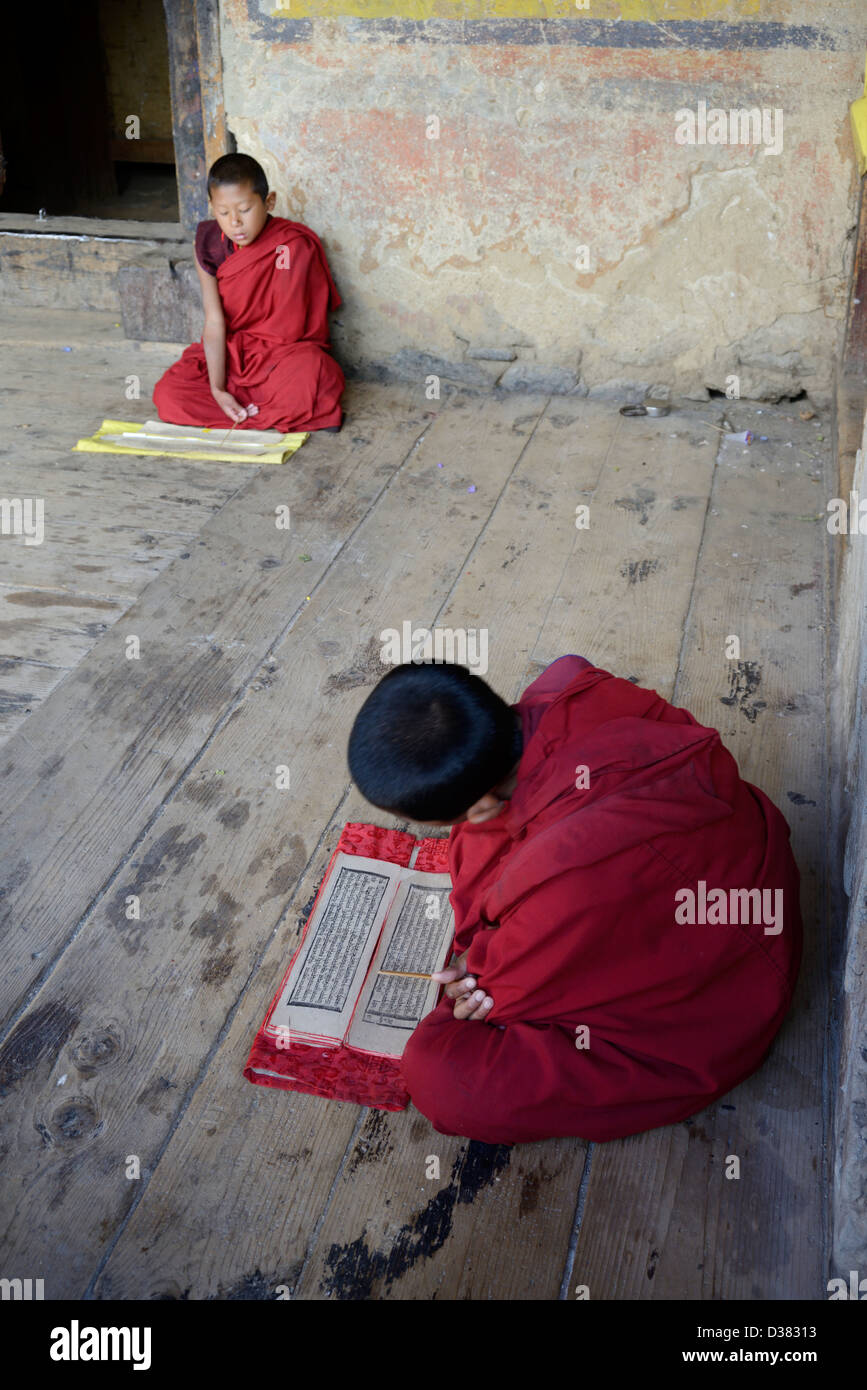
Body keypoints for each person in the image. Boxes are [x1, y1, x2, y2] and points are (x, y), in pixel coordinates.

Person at [346, 656, 803, 1144]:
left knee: (441, 1075)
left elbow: (496, 996)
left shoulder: (567, 881)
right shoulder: (571, 685)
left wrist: (478, 976)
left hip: (727, 984)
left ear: (479, 805)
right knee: (477, 850)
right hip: (730, 872)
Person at [153, 153, 344, 434]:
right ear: (212, 208)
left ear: (269, 202)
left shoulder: (290, 245)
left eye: (244, 210)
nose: (234, 223)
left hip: (281, 358)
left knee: (312, 373)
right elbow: (215, 322)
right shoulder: (208, 244)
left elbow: (291, 331)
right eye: (223, 212)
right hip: (231, 355)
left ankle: (257, 409)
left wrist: (261, 370)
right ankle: (268, 412)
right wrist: (217, 389)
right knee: (169, 394)